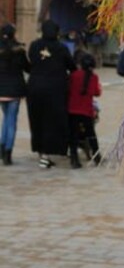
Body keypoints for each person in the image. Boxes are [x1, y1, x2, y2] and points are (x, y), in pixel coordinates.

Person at [27, 19, 75, 168]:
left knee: (37, 120)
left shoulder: (34, 46)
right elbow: (71, 66)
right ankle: (49, 152)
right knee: (52, 121)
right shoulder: (61, 48)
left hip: (34, 88)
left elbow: (32, 62)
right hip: (55, 90)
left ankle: (42, 153)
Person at [0, 22, 29, 165]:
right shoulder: (20, 50)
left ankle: (2, 148)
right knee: (11, 121)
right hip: (15, 90)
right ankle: (7, 153)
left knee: (5, 119)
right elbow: (27, 68)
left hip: (1, 89)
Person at [67, 52, 102, 169]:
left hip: (72, 110)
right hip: (87, 111)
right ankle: (96, 156)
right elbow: (97, 93)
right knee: (91, 134)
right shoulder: (94, 77)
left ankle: (74, 159)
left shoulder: (74, 75)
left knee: (73, 135)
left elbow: (68, 90)